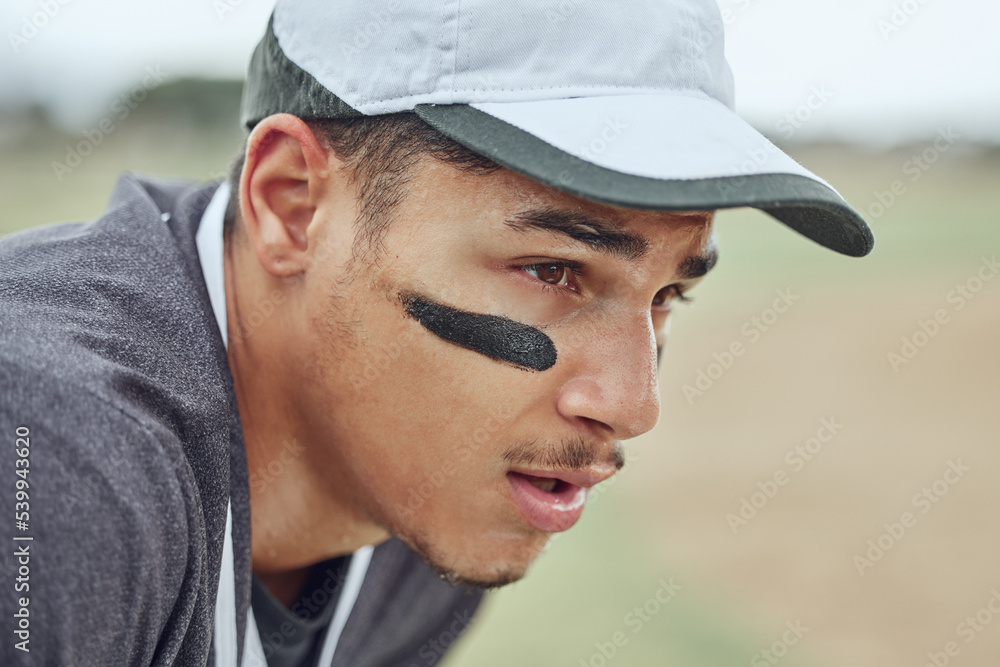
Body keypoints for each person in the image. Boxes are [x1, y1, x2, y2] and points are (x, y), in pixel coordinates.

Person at [0, 0, 873, 665]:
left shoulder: (431, 507)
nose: (633, 405)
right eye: (552, 271)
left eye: (666, 295)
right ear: (293, 203)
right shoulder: (51, 464)